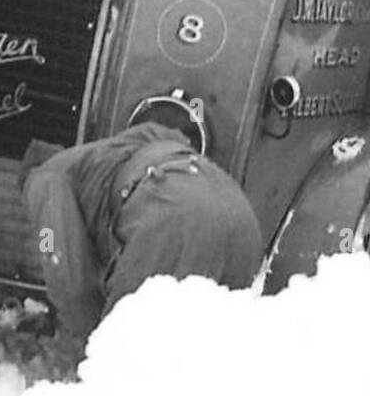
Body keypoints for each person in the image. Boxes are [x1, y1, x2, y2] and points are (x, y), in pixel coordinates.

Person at [20, 120, 262, 339]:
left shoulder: (43, 180)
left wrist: (87, 342)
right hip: (241, 216)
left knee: (125, 359)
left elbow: (65, 274)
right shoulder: (122, 146)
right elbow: (174, 134)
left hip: (170, 221)